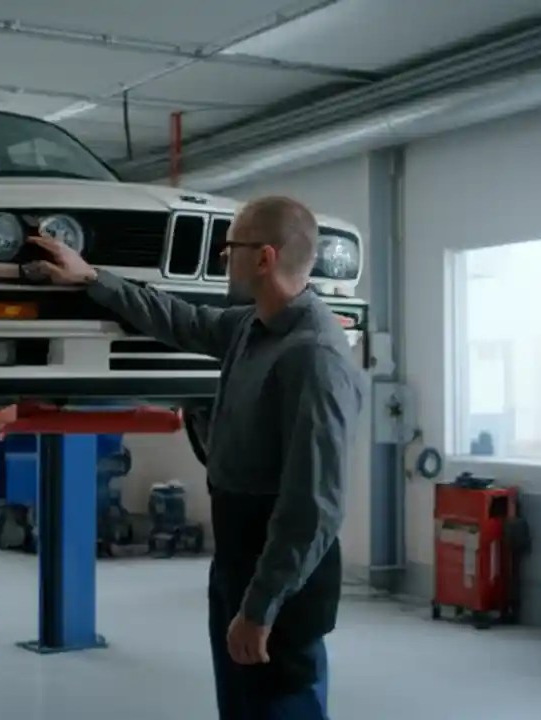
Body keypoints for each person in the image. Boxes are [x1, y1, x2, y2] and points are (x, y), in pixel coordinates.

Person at [25, 195, 365, 720]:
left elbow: (314, 506)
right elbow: (179, 319)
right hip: (238, 559)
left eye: (231, 247)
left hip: (281, 579)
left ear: (265, 258)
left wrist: (260, 607)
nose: (224, 257)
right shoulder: (252, 327)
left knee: (281, 703)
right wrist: (92, 277)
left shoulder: (313, 355)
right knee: (241, 703)